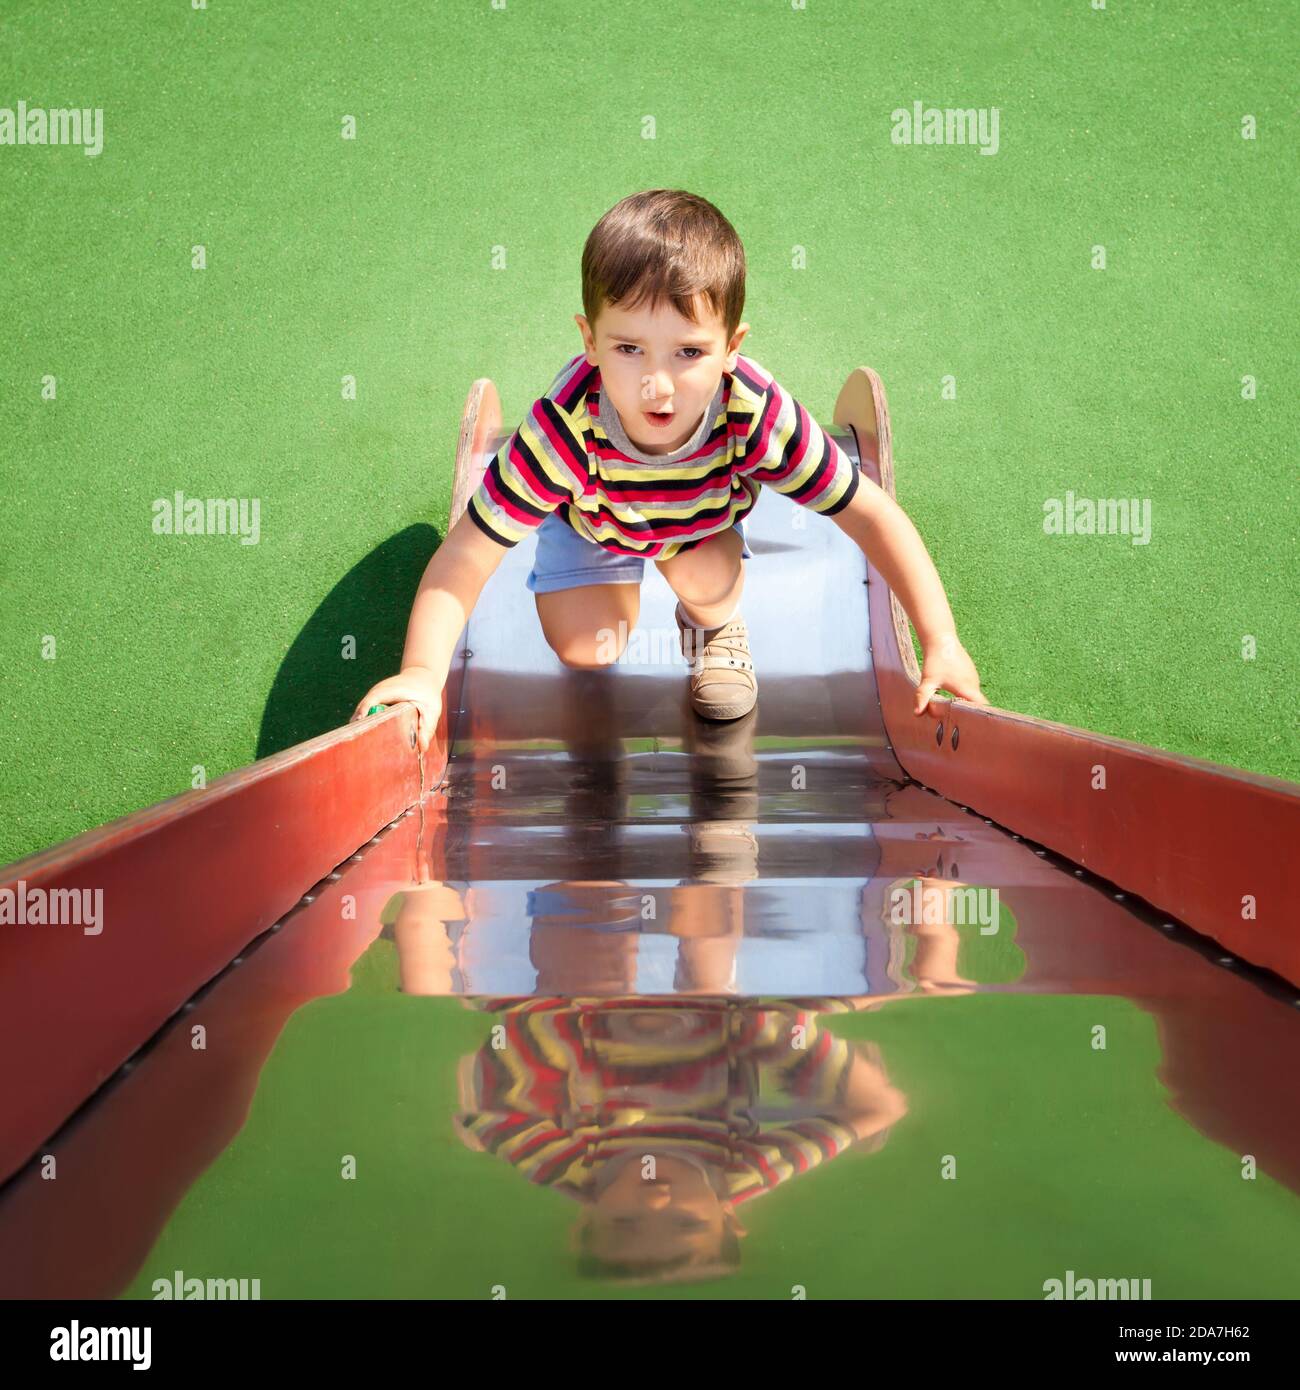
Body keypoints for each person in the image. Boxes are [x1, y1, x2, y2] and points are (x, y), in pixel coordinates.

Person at [353, 188, 986, 745]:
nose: (658, 386)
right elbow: (464, 557)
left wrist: (941, 641)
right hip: (592, 519)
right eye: (629, 349)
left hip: (696, 524)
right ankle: (619, 566)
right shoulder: (564, 431)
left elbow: (871, 514)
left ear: (732, 348)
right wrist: (422, 674)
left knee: (707, 575)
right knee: (586, 647)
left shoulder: (754, 414)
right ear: (590, 340)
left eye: (689, 352)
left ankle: (713, 630)